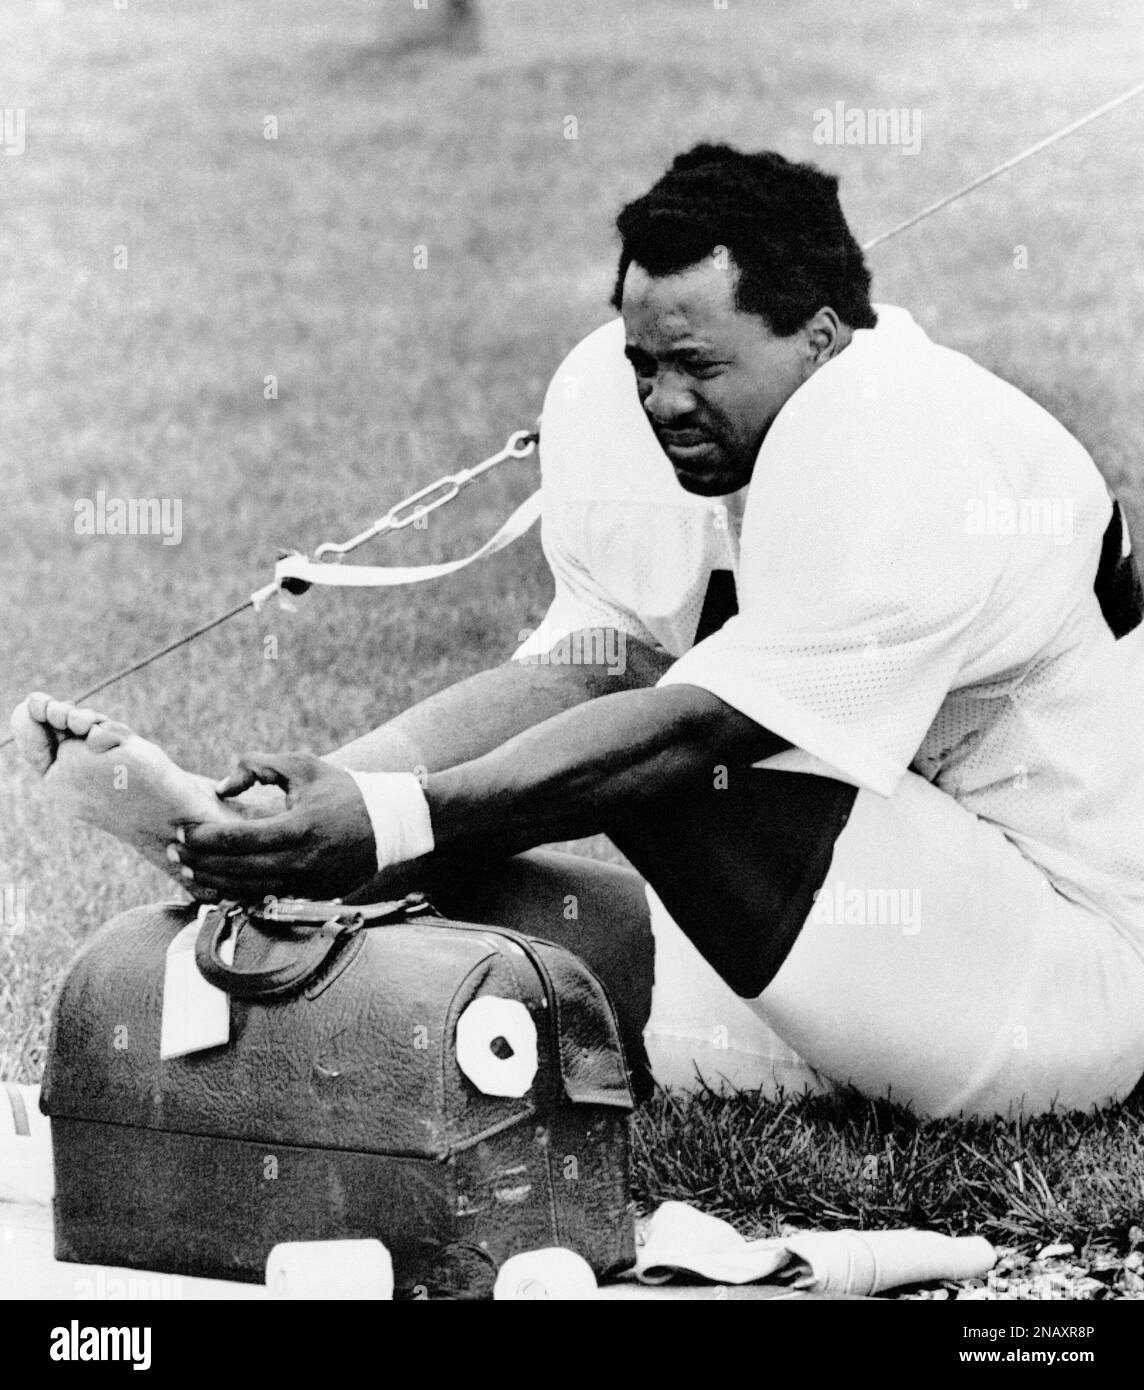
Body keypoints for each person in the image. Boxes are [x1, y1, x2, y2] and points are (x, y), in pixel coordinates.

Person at [12, 143, 1144, 1120]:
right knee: (456, 905)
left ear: (821, 339)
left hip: (1062, 975)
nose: (658, 402)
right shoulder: (662, 402)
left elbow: (673, 739)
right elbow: (580, 669)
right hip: (878, 927)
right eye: (642, 363)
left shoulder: (907, 441)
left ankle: (311, 860)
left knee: (598, 773)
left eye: (698, 366)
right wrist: (329, 798)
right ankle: (252, 855)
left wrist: (390, 819)